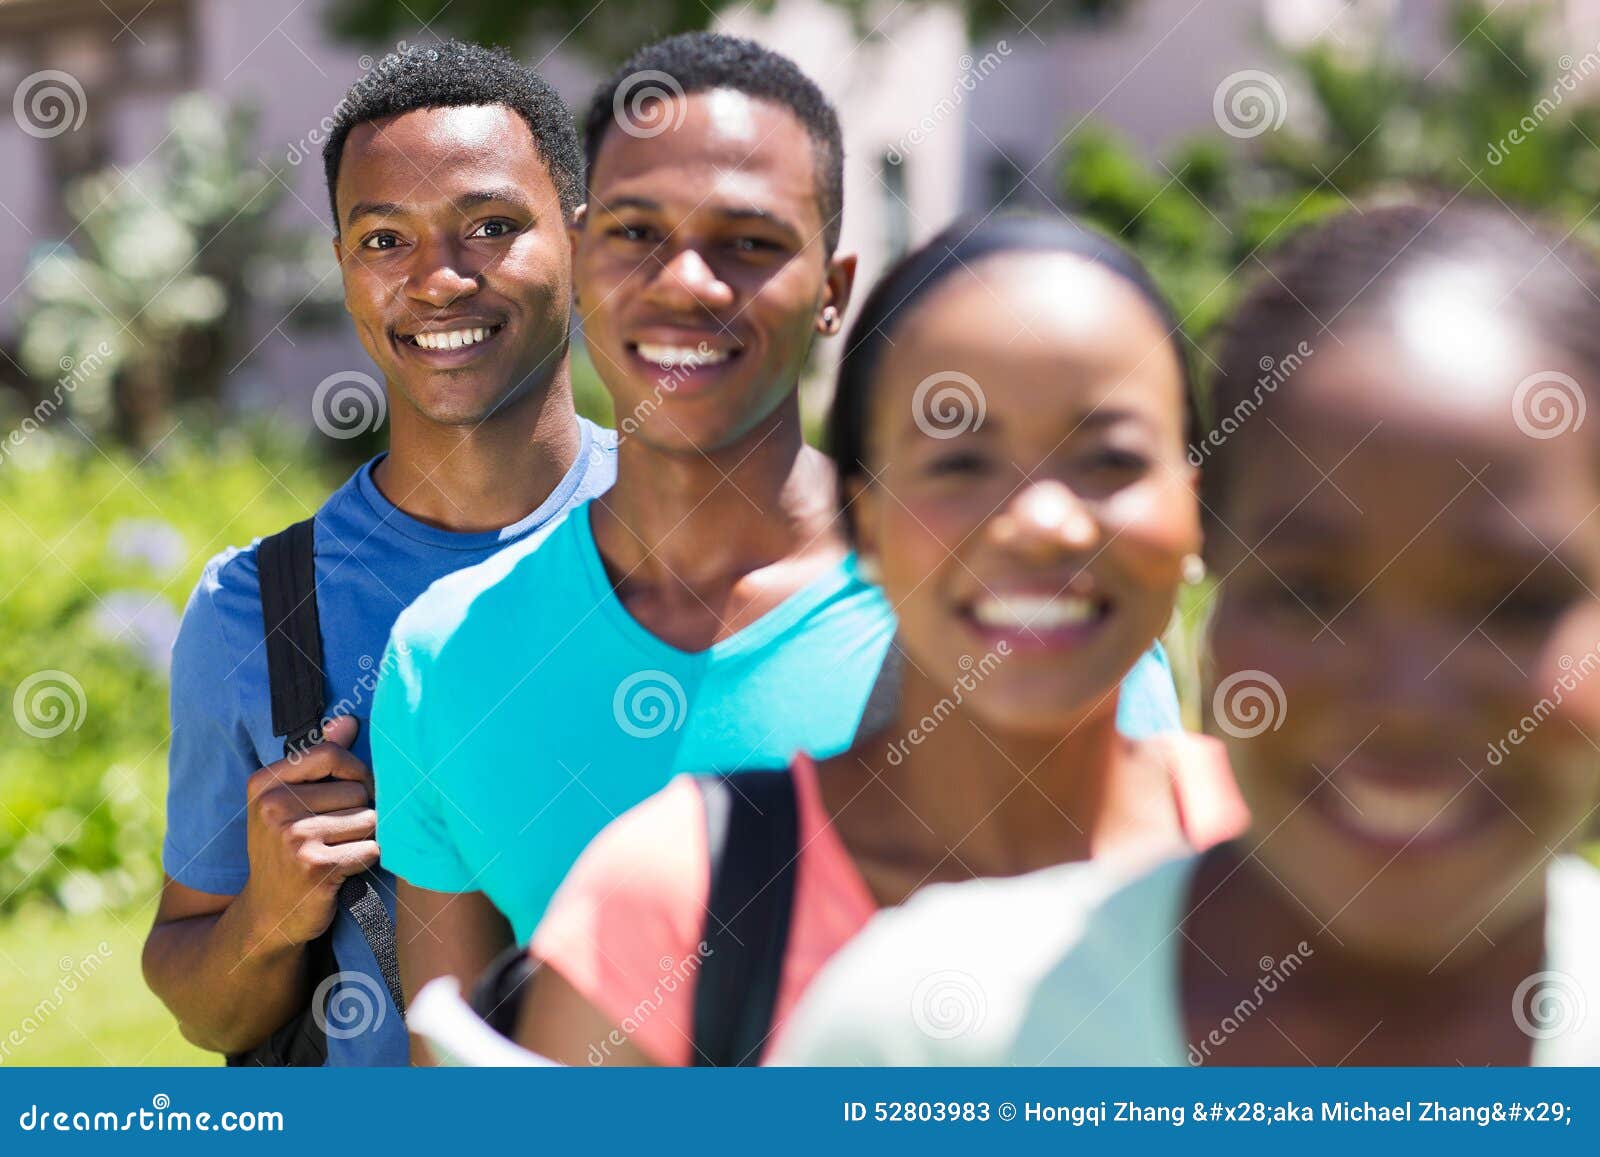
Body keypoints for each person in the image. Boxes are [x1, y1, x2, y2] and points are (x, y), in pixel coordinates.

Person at [370, 34, 1189, 1058]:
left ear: (834, 287)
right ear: (578, 258)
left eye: (749, 242)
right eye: (634, 232)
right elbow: (455, 1078)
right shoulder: (446, 655)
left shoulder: (1013, 616)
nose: (689, 283)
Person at [776, 201, 1600, 1067]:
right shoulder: (928, 1036)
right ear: (1210, 563)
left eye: (1516, 607)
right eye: (1308, 595)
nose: (1405, 703)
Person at [511, 214, 1249, 1067]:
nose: (1043, 525)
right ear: (862, 522)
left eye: (1111, 459)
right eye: (960, 462)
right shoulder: (675, 901)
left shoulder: (1301, 858)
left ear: (1195, 503)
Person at [142, 42, 615, 1066]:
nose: (437, 280)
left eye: (490, 226)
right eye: (384, 238)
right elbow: (203, 1009)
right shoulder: (255, 611)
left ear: (580, 240)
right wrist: (268, 916)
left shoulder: (698, 537)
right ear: (346, 269)